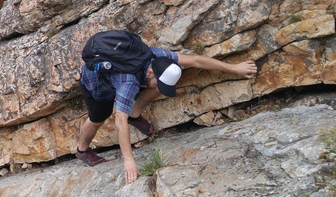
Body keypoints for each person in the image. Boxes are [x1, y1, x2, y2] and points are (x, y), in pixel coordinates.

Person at [75, 31, 258, 183]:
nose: (157, 87)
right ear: (150, 71)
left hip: (126, 77)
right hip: (97, 84)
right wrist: (129, 160)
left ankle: (135, 114)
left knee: (158, 88)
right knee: (99, 116)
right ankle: (82, 150)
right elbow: (119, 121)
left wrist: (235, 68)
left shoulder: (158, 57)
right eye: (155, 80)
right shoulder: (128, 82)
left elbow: (195, 60)